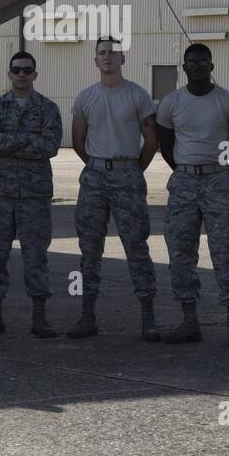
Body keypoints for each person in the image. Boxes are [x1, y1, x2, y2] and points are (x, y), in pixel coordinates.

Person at [155, 43, 229, 346]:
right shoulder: (172, 102)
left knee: (225, 252)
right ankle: (189, 321)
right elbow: (166, 146)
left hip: (217, 181)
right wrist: (187, 171)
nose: (197, 67)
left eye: (203, 62)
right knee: (181, 253)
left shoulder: (227, 101)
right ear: (184, 67)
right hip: (183, 183)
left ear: (212, 66)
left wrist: (222, 177)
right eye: (191, 63)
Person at [68, 37, 160, 341]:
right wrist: (99, 165)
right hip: (94, 177)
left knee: (137, 247)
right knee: (89, 250)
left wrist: (132, 169)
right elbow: (78, 141)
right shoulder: (85, 97)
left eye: (114, 53)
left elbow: (151, 139)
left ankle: (148, 318)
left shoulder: (138, 95)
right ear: (95, 61)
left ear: (124, 59)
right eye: (102, 53)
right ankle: (86, 315)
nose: (108, 57)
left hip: (128, 177)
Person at [0, 51, 63, 338]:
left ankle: (39, 317)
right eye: (17, 70)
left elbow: (50, 146)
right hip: (0, 194)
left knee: (36, 256)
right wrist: (28, 140)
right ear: (9, 74)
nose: (22, 75)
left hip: (35, 195)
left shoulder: (48, 109)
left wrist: (12, 142)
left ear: (35, 74)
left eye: (27, 70)